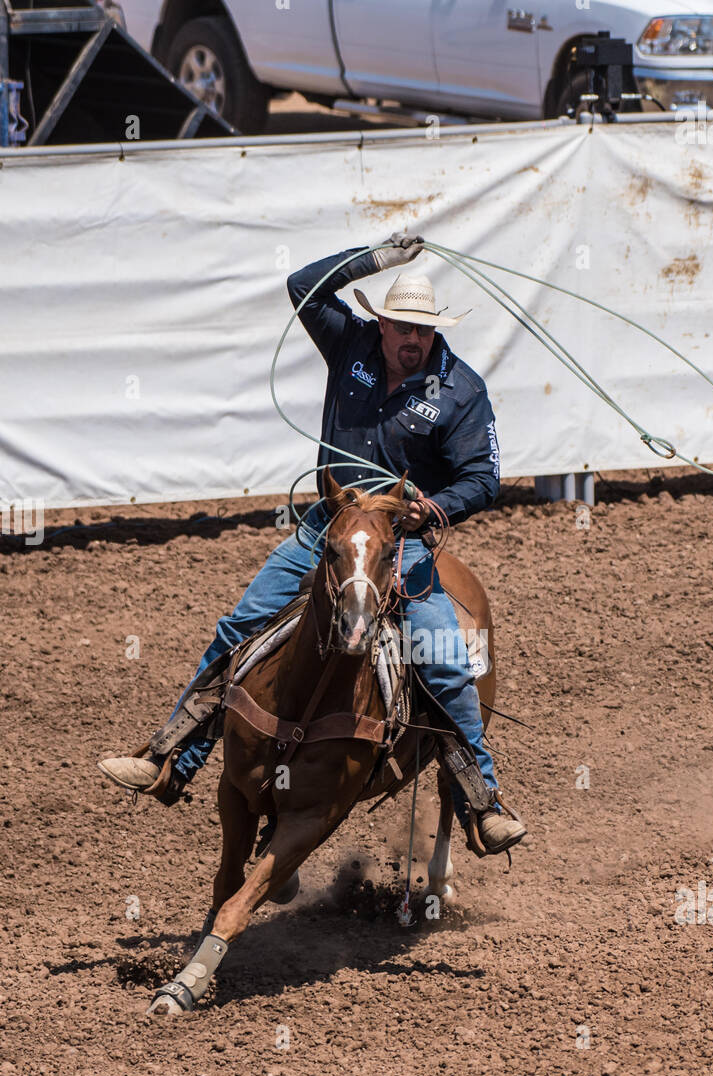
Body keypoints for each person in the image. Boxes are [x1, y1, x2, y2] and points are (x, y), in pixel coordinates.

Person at [98, 232, 526, 855]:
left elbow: (482, 479)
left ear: (436, 333)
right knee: (239, 626)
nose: (413, 340)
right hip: (325, 530)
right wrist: (380, 257)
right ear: (380, 323)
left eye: (423, 331)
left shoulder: (460, 390)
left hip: (399, 545)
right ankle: (171, 760)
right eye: (402, 326)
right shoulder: (349, 342)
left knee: (445, 663)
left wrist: (434, 506)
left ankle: (481, 803)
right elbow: (302, 285)